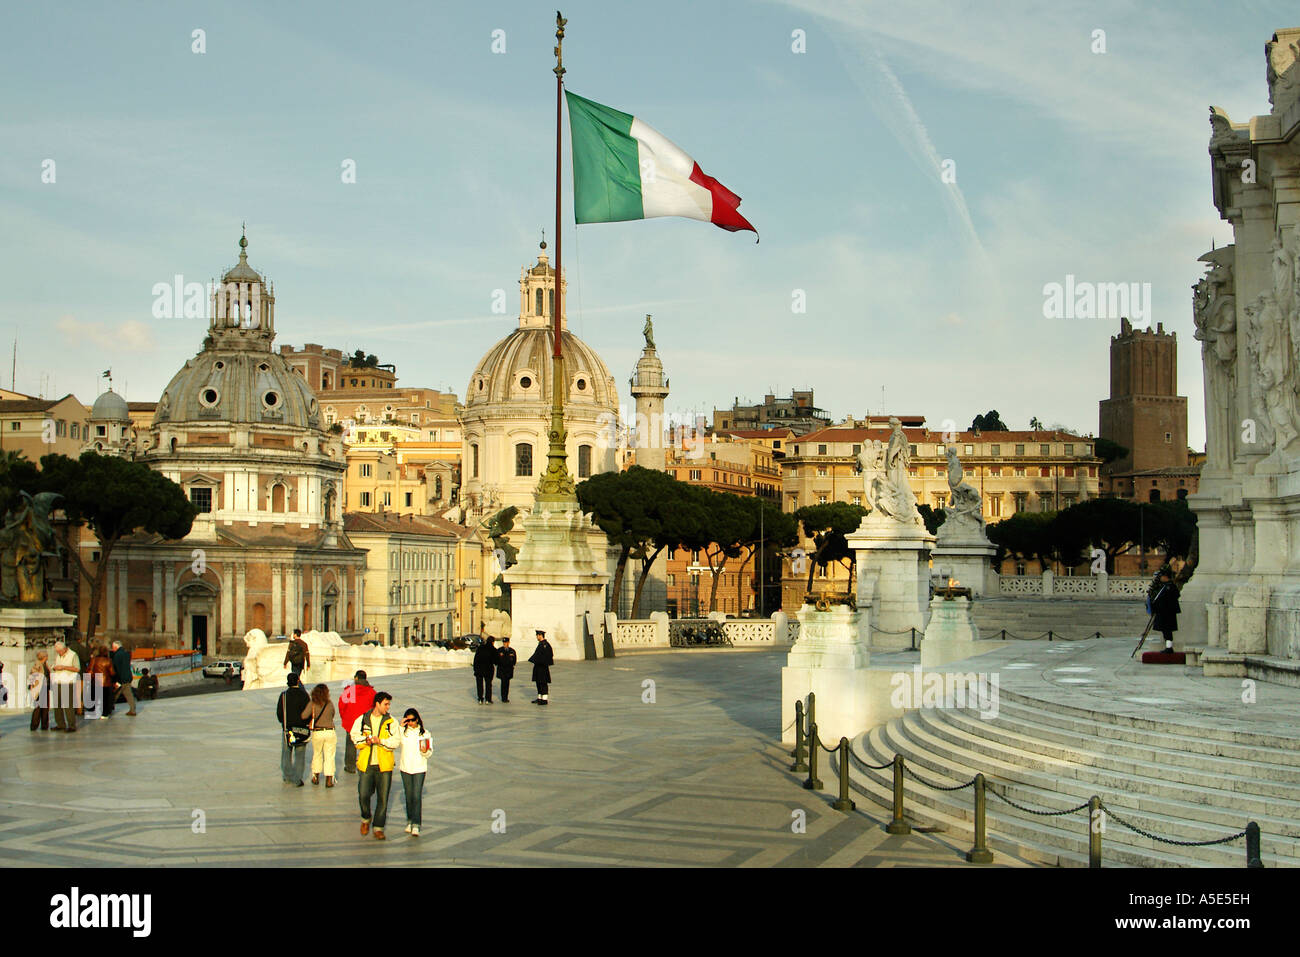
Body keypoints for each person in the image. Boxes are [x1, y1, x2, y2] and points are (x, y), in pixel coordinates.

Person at [350, 691, 398, 839]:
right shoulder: (363, 719)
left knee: (383, 798)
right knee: (363, 794)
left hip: (384, 766)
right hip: (366, 764)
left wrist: (381, 741)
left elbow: (396, 742)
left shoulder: (392, 722)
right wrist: (366, 741)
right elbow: (354, 736)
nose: (388, 707)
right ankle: (366, 817)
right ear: (377, 704)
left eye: (389, 704)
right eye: (385, 704)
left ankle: (378, 827)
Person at [396, 707, 433, 837]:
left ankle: (416, 823)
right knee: (409, 795)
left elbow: (429, 752)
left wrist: (425, 751)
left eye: (412, 720)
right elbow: (396, 741)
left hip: (419, 768)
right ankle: (410, 820)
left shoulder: (424, 734)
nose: (410, 723)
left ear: (417, 719)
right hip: (405, 768)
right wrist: (401, 727)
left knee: (416, 796)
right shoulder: (404, 732)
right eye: (408, 720)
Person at [276, 673, 310, 786]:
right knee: (299, 755)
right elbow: (309, 711)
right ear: (297, 681)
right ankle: (297, 778)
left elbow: (279, 713)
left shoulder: (284, 695)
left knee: (286, 753)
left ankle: (287, 776)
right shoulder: (304, 695)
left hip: (288, 728)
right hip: (301, 729)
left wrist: (284, 723)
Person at [339, 670, 375, 773]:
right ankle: (367, 763)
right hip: (366, 721)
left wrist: (344, 717)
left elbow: (342, 705)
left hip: (351, 721)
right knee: (366, 742)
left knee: (351, 744)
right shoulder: (371, 692)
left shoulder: (349, 690)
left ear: (356, 678)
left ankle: (350, 766)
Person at [303, 683, 337, 787]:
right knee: (329, 756)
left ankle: (316, 777)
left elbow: (304, 716)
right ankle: (329, 780)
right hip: (330, 731)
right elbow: (333, 714)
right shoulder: (330, 703)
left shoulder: (313, 703)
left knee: (317, 754)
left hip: (318, 732)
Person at [50, 640, 80, 732]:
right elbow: (55, 665)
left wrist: (64, 667)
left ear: (64, 649)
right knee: (57, 704)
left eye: (59, 651)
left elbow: (77, 668)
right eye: (57, 652)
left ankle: (71, 725)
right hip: (58, 681)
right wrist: (54, 667)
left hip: (68, 682)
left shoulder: (73, 655)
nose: (58, 653)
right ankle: (60, 724)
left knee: (68, 704)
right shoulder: (58, 655)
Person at [1150, 569, 1182, 652]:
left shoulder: (1170, 587)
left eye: (1161, 576)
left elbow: (1169, 599)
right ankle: (1168, 647)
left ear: (1165, 577)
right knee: (1165, 631)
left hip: (1167, 613)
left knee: (1167, 631)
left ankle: (1169, 648)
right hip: (1163, 612)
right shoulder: (1165, 586)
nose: (1160, 578)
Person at [110, 640, 138, 716]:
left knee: (114, 694)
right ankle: (133, 710)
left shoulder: (117, 655)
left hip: (120, 678)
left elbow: (116, 668)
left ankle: (109, 709)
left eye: (113, 647)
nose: (112, 649)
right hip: (128, 677)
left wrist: (115, 679)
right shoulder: (126, 654)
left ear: (116, 647)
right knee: (128, 694)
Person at [88, 644, 116, 718]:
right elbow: (112, 672)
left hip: (96, 681)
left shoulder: (94, 659)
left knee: (95, 697)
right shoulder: (108, 661)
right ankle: (104, 714)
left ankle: (94, 711)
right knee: (105, 699)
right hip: (105, 682)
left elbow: (90, 671)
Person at [529, 629, 553, 706]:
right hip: (538, 666)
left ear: (540, 635)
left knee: (543, 683)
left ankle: (544, 699)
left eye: (537, 635)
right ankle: (540, 697)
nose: (537, 637)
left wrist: (540, 661)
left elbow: (548, 656)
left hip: (542, 667)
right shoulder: (541, 644)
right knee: (538, 682)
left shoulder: (545, 645)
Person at [28, 650, 50, 732]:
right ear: (44, 657)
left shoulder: (45, 664)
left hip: (45, 687)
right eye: (46, 656)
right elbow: (32, 675)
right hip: (39, 688)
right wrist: (33, 686)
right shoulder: (38, 664)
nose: (47, 657)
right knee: (38, 707)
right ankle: (34, 725)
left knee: (45, 707)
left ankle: (44, 725)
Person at [474, 633, 497, 704]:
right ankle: (488, 699)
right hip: (488, 670)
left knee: (479, 684)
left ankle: (480, 699)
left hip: (479, 669)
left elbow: (475, 659)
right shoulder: (493, 649)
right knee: (488, 684)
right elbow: (496, 661)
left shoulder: (480, 648)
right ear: (493, 642)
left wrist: (475, 668)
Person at [496, 635, 516, 703]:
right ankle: (503, 697)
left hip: (509, 670)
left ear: (509, 643)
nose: (505, 644)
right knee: (503, 683)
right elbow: (497, 660)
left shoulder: (512, 651)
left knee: (507, 684)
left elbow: (514, 660)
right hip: (502, 670)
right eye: (504, 643)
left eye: (506, 642)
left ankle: (506, 697)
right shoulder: (499, 650)